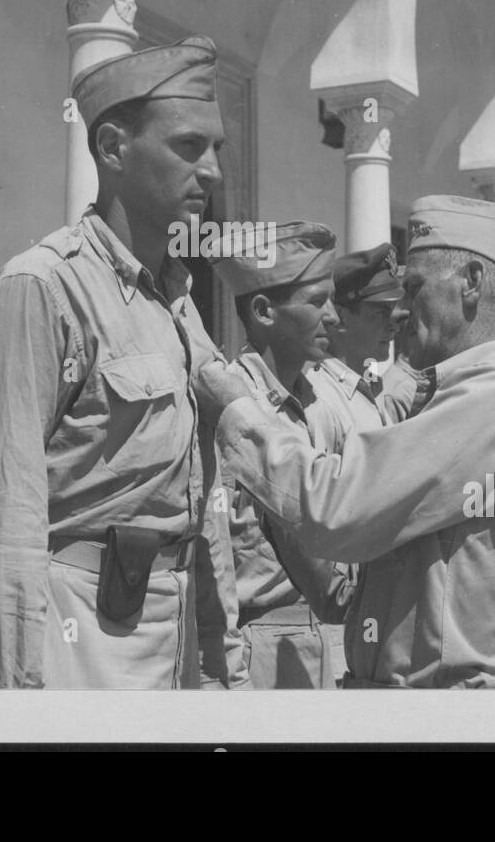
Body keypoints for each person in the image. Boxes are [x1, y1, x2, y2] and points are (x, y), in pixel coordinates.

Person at [0, 36, 245, 689]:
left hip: (170, 631)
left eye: (217, 149)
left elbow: (203, 498)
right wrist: (9, 710)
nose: (215, 172)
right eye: (189, 147)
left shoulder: (178, 304)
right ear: (113, 148)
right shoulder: (41, 289)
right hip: (74, 634)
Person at [197, 194, 495, 688]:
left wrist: (235, 414)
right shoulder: (485, 394)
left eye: (414, 287)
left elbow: (336, 506)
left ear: (472, 282)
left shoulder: (494, 398)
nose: (403, 308)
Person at [210, 221, 355, 688]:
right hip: (258, 647)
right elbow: (216, 565)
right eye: (317, 302)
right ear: (263, 311)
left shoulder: (319, 404)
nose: (334, 317)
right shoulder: (231, 411)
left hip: (318, 635)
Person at [311, 242, 402, 432]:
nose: (392, 325)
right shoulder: (319, 398)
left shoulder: (372, 385)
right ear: (341, 318)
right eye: (381, 313)